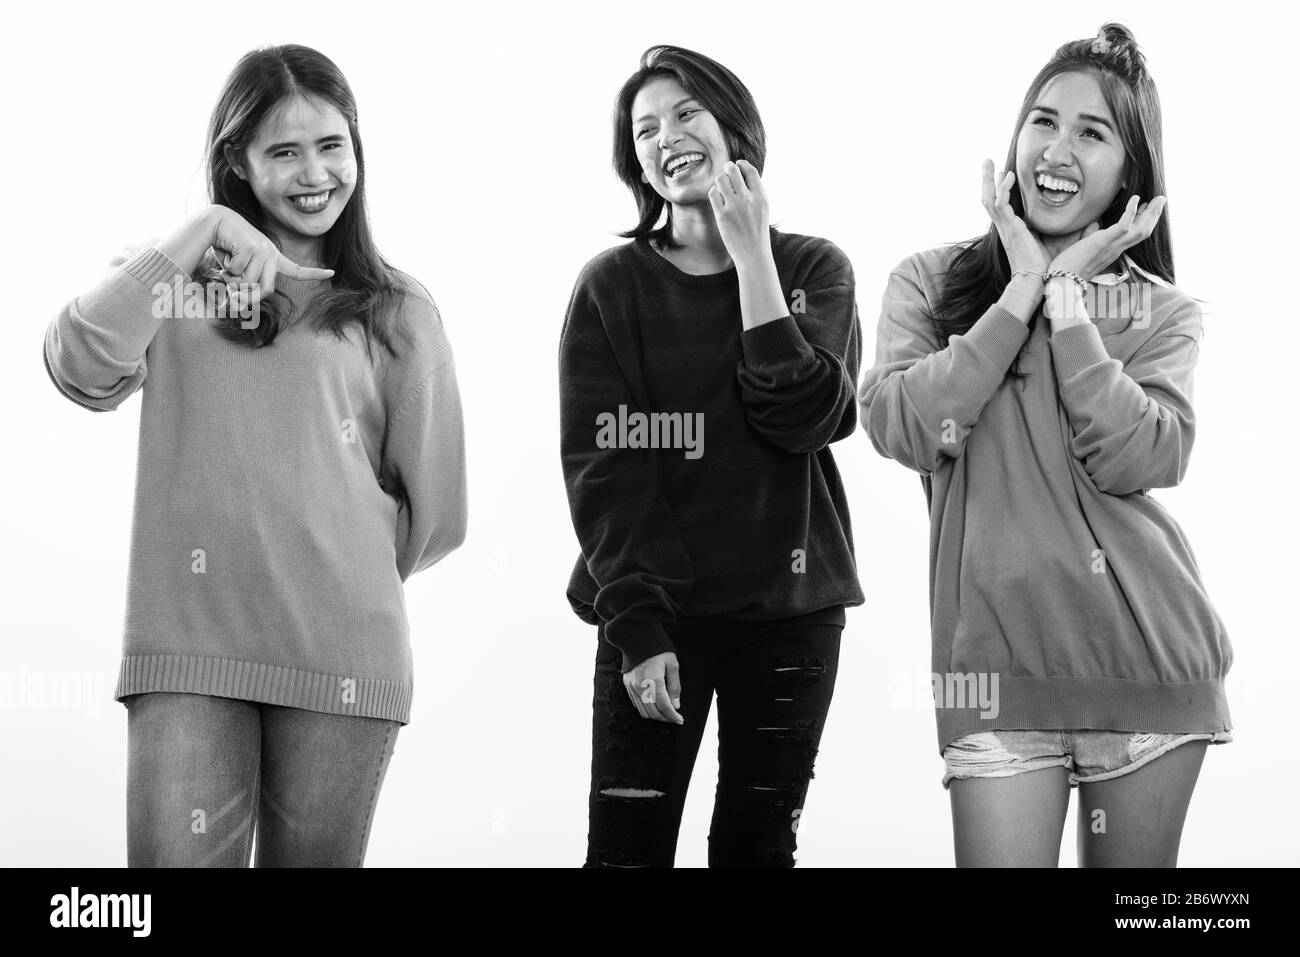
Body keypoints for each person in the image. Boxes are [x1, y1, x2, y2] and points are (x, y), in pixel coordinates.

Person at [42, 44, 467, 867]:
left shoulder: (398, 310)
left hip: (344, 661)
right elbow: (77, 364)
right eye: (282, 151)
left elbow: (439, 512)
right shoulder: (171, 278)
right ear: (235, 160)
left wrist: (327, 565)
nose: (315, 173)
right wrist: (201, 228)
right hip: (187, 655)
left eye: (331, 145)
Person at [858, 23, 1232, 867]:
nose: (1057, 149)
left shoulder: (1161, 312)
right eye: (1043, 120)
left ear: (1130, 175)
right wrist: (1022, 289)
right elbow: (903, 425)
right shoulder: (930, 281)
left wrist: (1068, 308)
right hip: (990, 676)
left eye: (1092, 132)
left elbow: (1140, 456)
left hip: (1148, 668)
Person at [559, 45, 864, 867]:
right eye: (646, 128)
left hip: (791, 614)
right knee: (627, 853)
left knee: (756, 849)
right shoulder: (611, 286)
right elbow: (605, 470)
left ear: (735, 127)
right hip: (657, 614)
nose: (668, 137)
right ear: (637, 163)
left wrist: (752, 251)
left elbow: (803, 414)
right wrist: (640, 623)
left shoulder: (813, 268)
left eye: (687, 113)